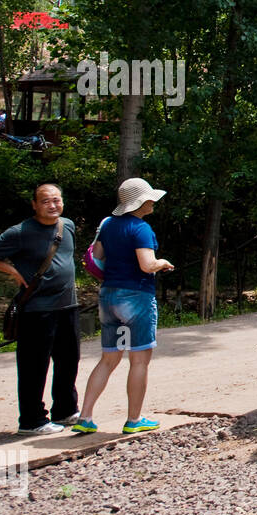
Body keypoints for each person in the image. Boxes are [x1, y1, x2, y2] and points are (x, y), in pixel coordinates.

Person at [0, 183, 80, 435]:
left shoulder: (67, 226)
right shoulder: (21, 231)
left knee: (69, 360)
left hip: (68, 305)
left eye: (57, 200)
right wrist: (11, 270)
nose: (53, 205)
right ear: (34, 204)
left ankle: (65, 410)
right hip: (37, 309)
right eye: (46, 201)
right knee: (34, 366)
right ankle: (32, 420)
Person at [72, 178, 173, 434]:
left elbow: (97, 256)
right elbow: (147, 265)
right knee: (139, 361)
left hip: (109, 296)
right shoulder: (141, 229)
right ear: (141, 202)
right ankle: (134, 419)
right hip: (136, 297)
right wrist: (163, 262)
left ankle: (85, 417)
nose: (153, 201)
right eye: (149, 198)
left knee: (108, 359)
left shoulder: (108, 226)